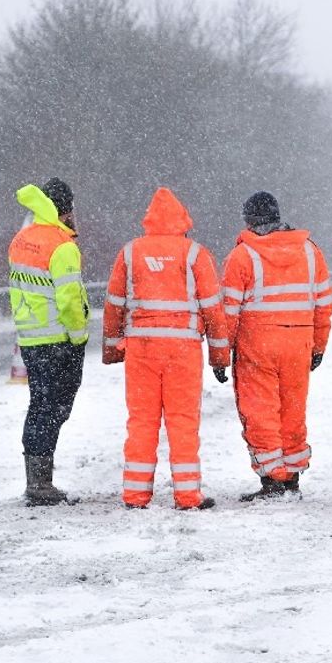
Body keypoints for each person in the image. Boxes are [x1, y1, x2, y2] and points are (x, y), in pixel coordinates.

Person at [102, 188, 229, 510]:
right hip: (183, 350)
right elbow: (213, 308)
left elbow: (114, 304)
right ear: (183, 221)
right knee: (183, 421)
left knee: (141, 421)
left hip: (141, 350)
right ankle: (188, 496)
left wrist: (114, 348)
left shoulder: (130, 253)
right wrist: (219, 356)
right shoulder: (195, 254)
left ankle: (135, 495)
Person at [222, 191, 332, 501]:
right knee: (293, 409)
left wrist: (220, 354)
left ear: (248, 220)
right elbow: (323, 303)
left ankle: (272, 480)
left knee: (260, 410)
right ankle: (293, 477)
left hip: (257, 344)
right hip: (299, 342)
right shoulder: (311, 252)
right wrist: (319, 344)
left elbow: (229, 311)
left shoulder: (242, 256)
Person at [8, 177, 89, 506]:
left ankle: (37, 477)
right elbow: (69, 300)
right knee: (54, 409)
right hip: (59, 340)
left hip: (30, 339)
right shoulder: (63, 246)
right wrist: (80, 336)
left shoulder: (21, 239)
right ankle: (40, 484)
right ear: (65, 209)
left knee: (40, 407)